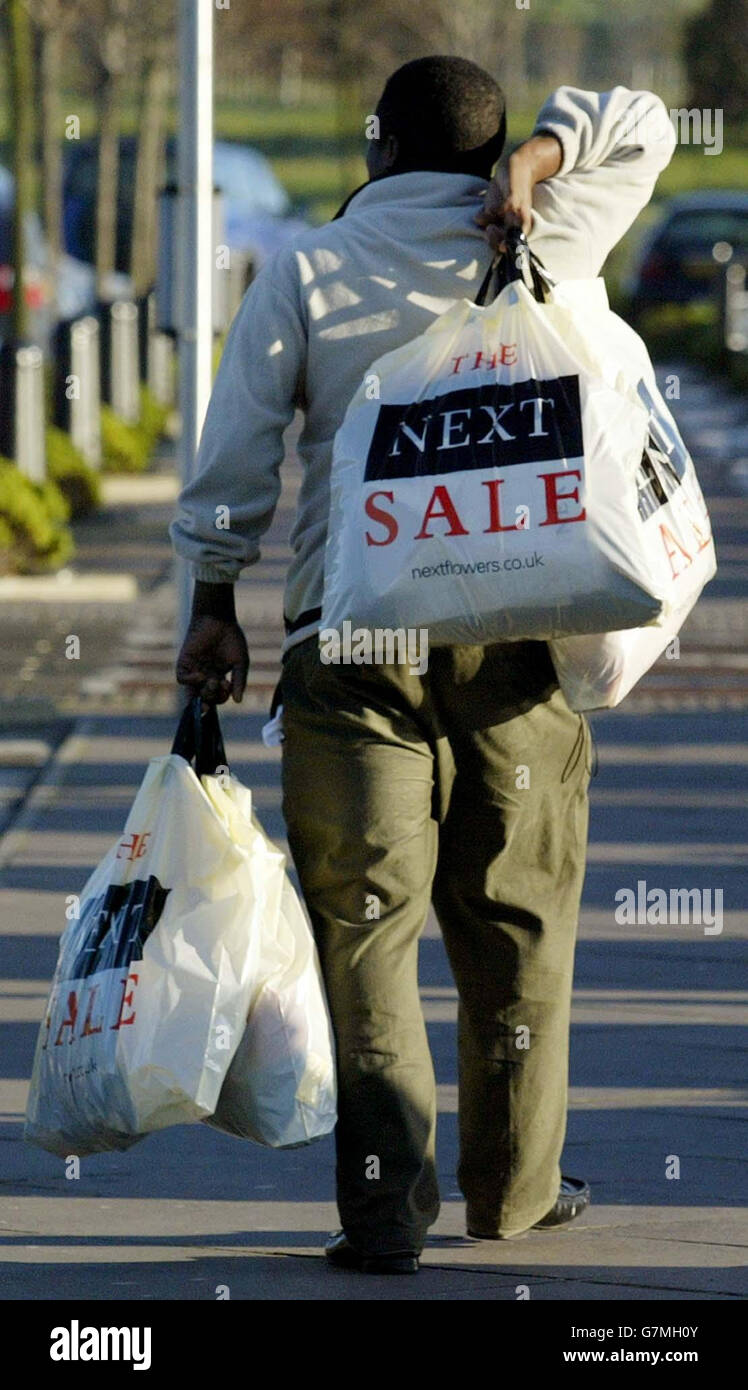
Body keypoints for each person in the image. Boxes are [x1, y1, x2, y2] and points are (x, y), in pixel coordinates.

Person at [171, 55, 676, 1275]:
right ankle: (515, 1193)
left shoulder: (304, 263)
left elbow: (236, 452)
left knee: (367, 926)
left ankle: (384, 1213)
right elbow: (646, 122)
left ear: (375, 148)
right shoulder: (549, 227)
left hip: (347, 636)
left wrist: (212, 602)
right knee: (516, 925)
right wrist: (539, 168)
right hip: (517, 631)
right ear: (489, 149)